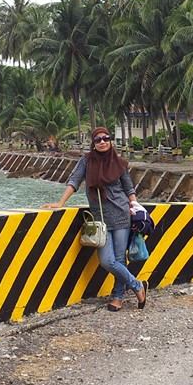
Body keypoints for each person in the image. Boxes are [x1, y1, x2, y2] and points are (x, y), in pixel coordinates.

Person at [41, 127, 147, 311]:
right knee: (107, 261)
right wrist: (60, 203)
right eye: (98, 140)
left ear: (110, 140)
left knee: (120, 259)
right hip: (100, 219)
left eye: (106, 138)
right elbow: (74, 181)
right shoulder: (87, 161)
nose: (102, 142)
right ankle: (137, 285)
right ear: (93, 143)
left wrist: (136, 208)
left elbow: (129, 188)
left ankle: (118, 297)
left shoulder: (119, 162)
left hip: (121, 215)